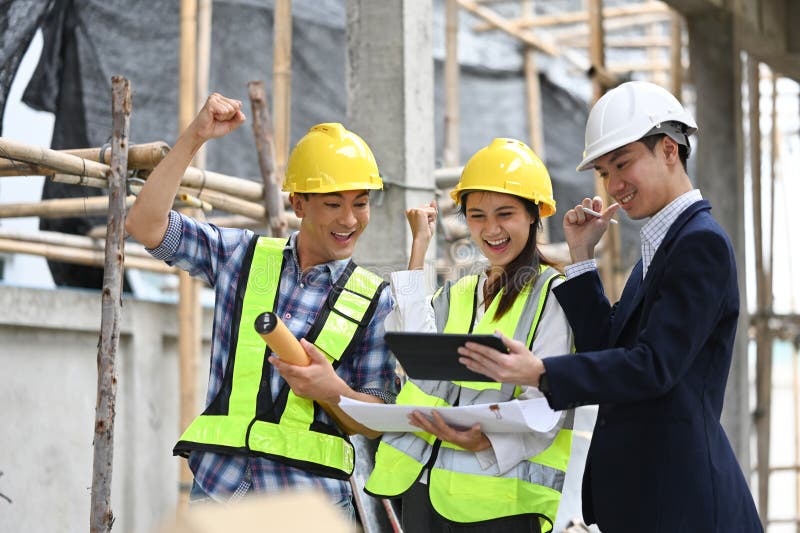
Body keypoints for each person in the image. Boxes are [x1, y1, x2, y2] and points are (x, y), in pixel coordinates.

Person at [457, 81, 763, 531]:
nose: (614, 184)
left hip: (683, 500)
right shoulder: (662, 245)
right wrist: (581, 256)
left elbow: (653, 367)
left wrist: (540, 373)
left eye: (623, 163)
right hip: (651, 495)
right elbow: (608, 347)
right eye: (603, 171)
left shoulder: (699, 244)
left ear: (668, 150)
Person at [125, 93, 399, 518]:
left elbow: (378, 415)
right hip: (222, 488)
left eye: (360, 204)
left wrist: (332, 391)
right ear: (298, 204)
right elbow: (145, 224)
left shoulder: (375, 299)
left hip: (313, 506)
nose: (349, 219)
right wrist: (196, 137)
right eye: (333, 204)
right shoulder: (242, 256)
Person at [365, 138, 575, 533]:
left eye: (505, 213)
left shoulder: (553, 295)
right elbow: (413, 347)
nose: (490, 229)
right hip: (424, 487)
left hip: (497, 503)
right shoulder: (463, 291)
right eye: (476, 216)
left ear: (534, 215)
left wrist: (487, 443)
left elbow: (550, 403)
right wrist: (420, 247)